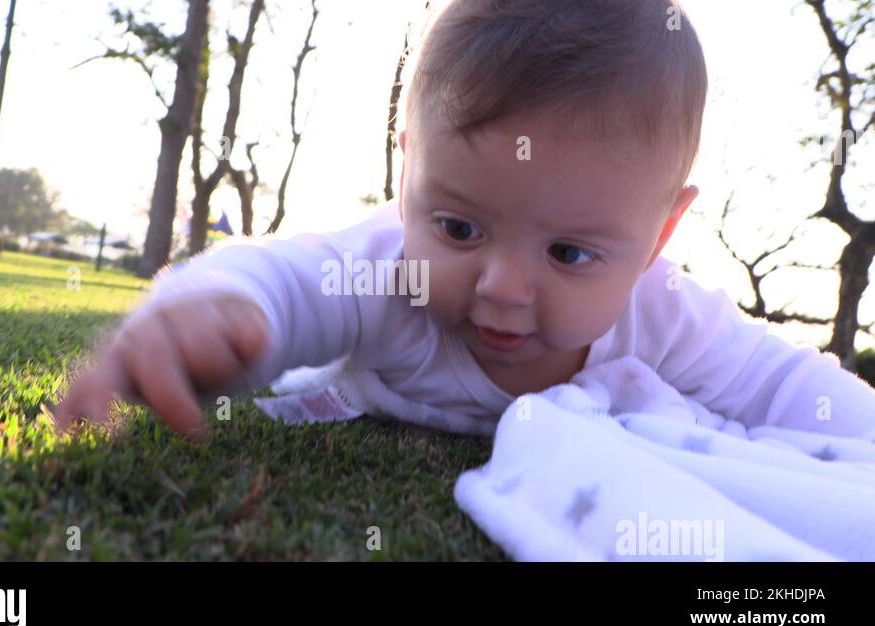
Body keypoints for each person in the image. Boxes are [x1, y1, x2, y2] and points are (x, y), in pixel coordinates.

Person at [54, 0, 875, 442]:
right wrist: (214, 313)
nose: (502, 287)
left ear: (658, 238)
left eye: (567, 251)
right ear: (407, 166)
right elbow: (291, 279)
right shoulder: (391, 274)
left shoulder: (664, 315)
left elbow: (780, 384)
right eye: (459, 229)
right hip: (345, 404)